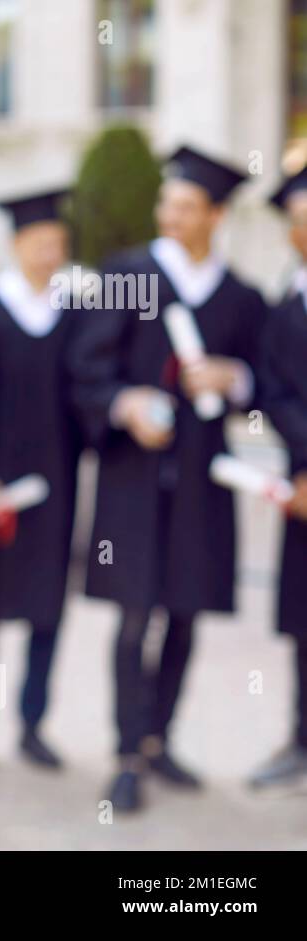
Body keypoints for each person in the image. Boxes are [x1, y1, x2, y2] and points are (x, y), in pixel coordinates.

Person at [69, 145, 267, 812]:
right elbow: (86, 367)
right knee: (133, 620)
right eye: (167, 204)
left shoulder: (241, 297)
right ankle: (126, 754)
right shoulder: (129, 274)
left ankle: (159, 739)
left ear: (216, 214)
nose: (171, 216)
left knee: (185, 614)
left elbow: (266, 385)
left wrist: (234, 378)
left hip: (201, 482)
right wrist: (123, 404)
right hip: (134, 477)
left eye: (185, 207)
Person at [0, 189, 82, 771]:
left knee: (46, 611)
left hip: (56, 487)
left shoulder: (76, 319)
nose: (47, 253)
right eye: (37, 243)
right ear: (15, 245)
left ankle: (33, 724)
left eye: (56, 244)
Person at [247, 166, 307, 794]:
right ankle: (302, 739)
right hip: (304, 491)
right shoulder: (287, 307)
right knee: (303, 625)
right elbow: (275, 393)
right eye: (297, 223)